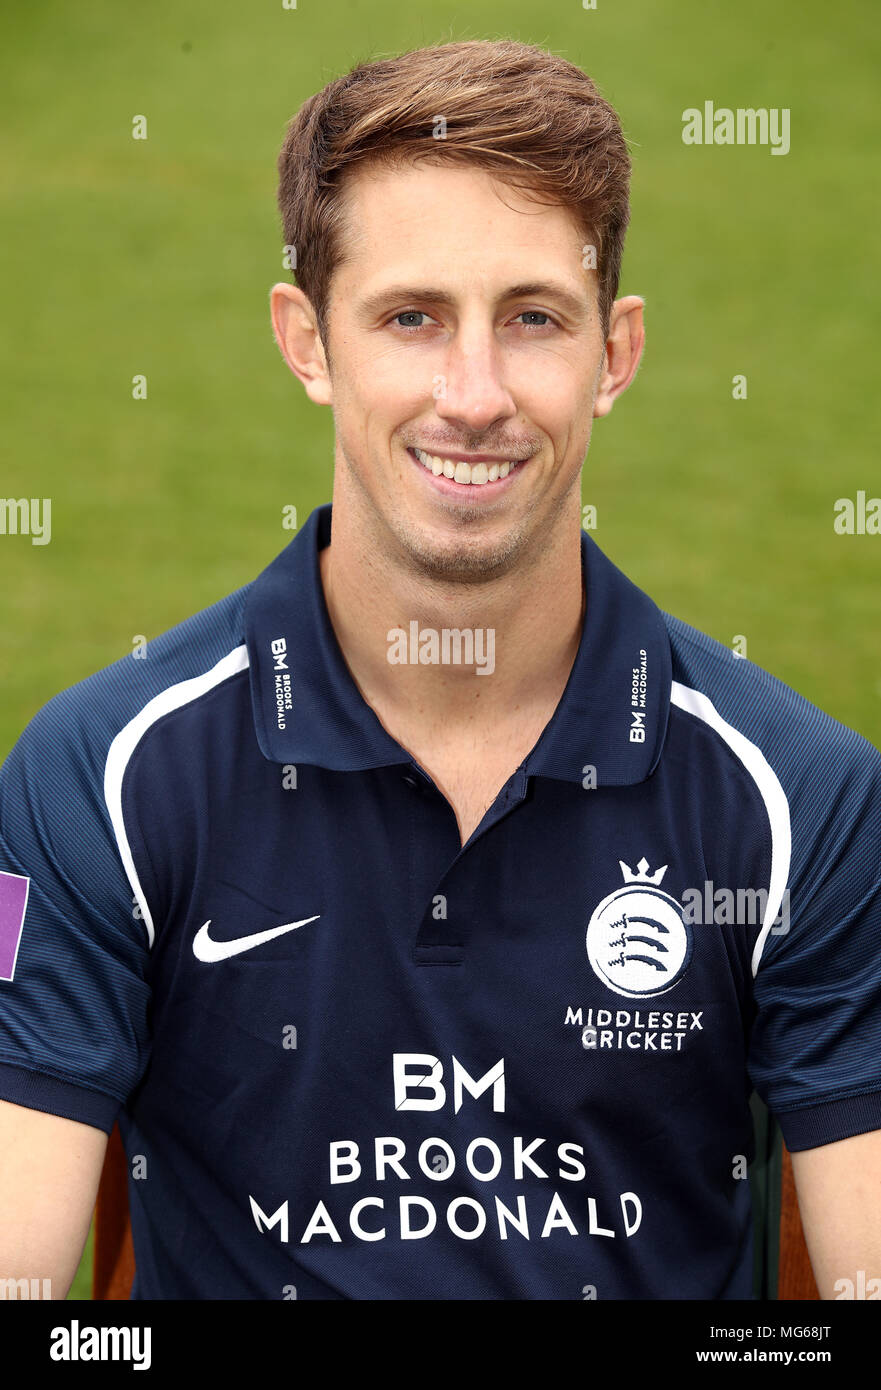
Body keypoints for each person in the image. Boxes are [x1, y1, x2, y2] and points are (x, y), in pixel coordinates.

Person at [1, 38, 879, 1302]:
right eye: (411, 318)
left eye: (532, 319)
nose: (473, 396)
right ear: (305, 341)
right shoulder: (94, 779)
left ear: (614, 353)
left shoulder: (805, 801)